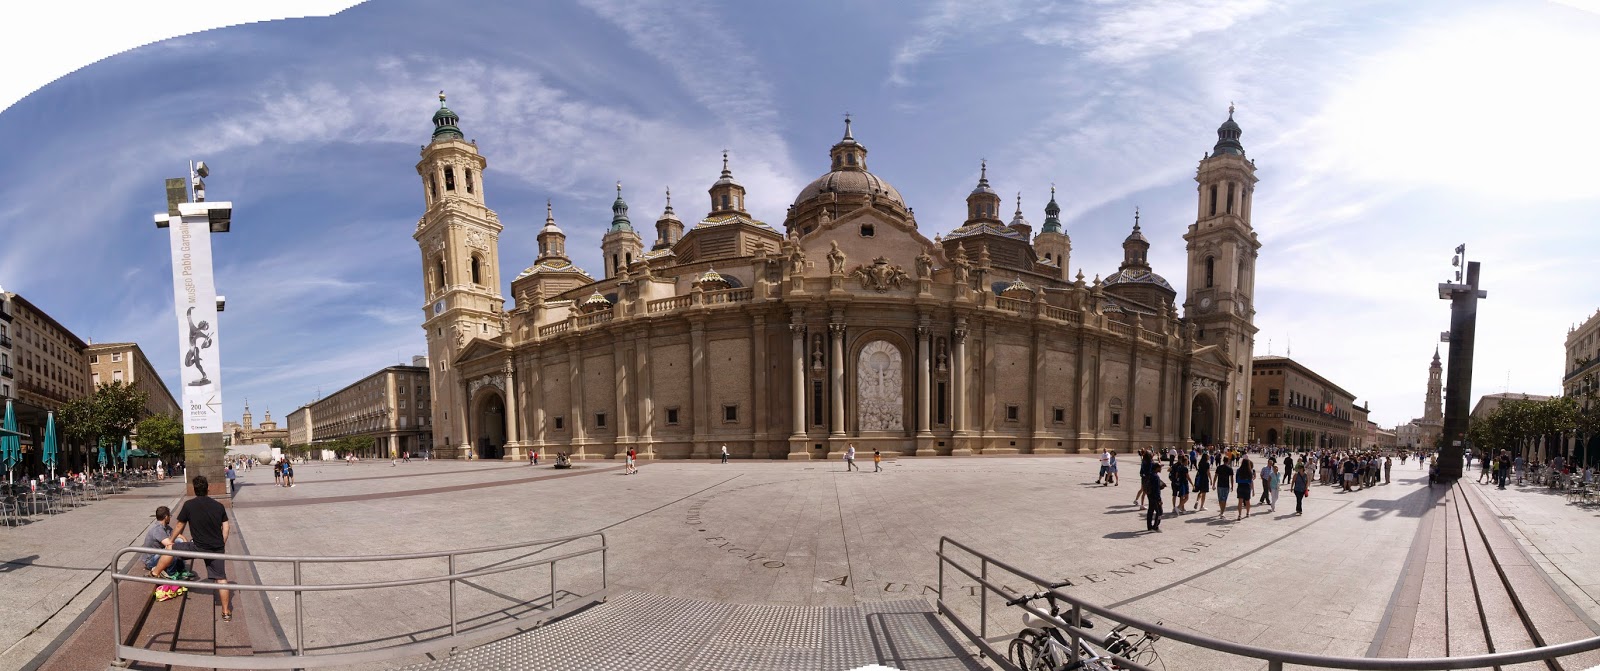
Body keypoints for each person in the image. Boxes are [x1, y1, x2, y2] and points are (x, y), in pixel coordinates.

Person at [165, 476, 232, 622]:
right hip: (216, 548)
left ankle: (155, 572)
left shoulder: (189, 505)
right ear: (208, 488)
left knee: (169, 550)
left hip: (197, 546)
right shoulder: (219, 506)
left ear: (194, 490)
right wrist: (222, 543)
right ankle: (226, 612)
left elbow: (179, 526)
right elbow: (226, 527)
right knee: (221, 579)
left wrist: (170, 541)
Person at [142, 506, 186, 578]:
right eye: (169, 516)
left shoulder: (166, 527)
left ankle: (180, 569)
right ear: (166, 517)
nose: (170, 518)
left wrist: (184, 542)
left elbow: (178, 535)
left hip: (159, 554)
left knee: (179, 542)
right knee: (172, 551)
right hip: (150, 560)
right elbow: (169, 545)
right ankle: (171, 574)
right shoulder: (158, 529)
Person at [1144, 462, 1166, 532]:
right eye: (1160, 467)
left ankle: (1149, 526)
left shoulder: (1150, 474)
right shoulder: (1156, 477)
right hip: (1155, 497)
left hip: (1150, 495)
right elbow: (1157, 489)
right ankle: (1155, 526)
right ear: (1157, 468)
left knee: (1150, 510)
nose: (1161, 468)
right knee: (1160, 512)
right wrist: (1159, 499)